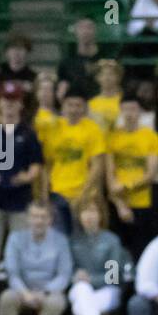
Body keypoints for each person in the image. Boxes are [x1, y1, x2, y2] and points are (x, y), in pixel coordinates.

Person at [0, 201, 73, 315]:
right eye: (35, 216)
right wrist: (25, 293)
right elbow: (12, 272)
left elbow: (64, 274)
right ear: (28, 219)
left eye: (43, 217)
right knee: (6, 298)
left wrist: (44, 292)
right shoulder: (15, 238)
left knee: (55, 304)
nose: (39, 221)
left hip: (49, 291)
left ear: (50, 220)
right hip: (22, 289)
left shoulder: (60, 241)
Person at [0, 79, 43, 262]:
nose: (9, 104)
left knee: (20, 248)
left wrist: (28, 177)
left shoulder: (28, 133)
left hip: (20, 198)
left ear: (20, 103)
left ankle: (16, 284)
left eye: (14, 100)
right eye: (6, 100)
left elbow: (36, 164)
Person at [67, 194, 132, 315]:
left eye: (93, 211)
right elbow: (67, 271)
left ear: (101, 215)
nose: (89, 216)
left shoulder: (111, 240)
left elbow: (113, 277)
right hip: (81, 289)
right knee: (81, 291)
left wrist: (91, 279)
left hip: (107, 291)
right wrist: (76, 276)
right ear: (79, 216)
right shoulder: (73, 241)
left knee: (80, 308)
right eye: (85, 212)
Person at [39, 85, 107, 234]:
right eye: (70, 105)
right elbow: (46, 164)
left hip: (84, 195)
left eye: (78, 105)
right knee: (58, 238)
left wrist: (84, 194)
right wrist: (44, 193)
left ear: (84, 108)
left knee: (82, 238)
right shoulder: (53, 128)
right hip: (57, 193)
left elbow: (97, 166)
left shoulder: (92, 129)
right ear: (63, 106)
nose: (74, 109)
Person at [106, 91, 158, 257]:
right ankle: (112, 281)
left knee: (142, 247)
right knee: (114, 248)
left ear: (140, 112)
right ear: (120, 111)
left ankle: (139, 282)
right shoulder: (112, 137)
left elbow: (152, 173)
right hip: (116, 203)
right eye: (126, 109)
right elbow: (109, 175)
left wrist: (127, 186)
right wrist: (120, 204)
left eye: (133, 109)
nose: (129, 114)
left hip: (142, 202)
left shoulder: (151, 137)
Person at [58, 17, 113, 98]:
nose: (85, 31)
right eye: (81, 27)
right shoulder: (67, 63)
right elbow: (62, 89)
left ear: (96, 30)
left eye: (89, 27)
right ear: (75, 31)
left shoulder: (107, 59)